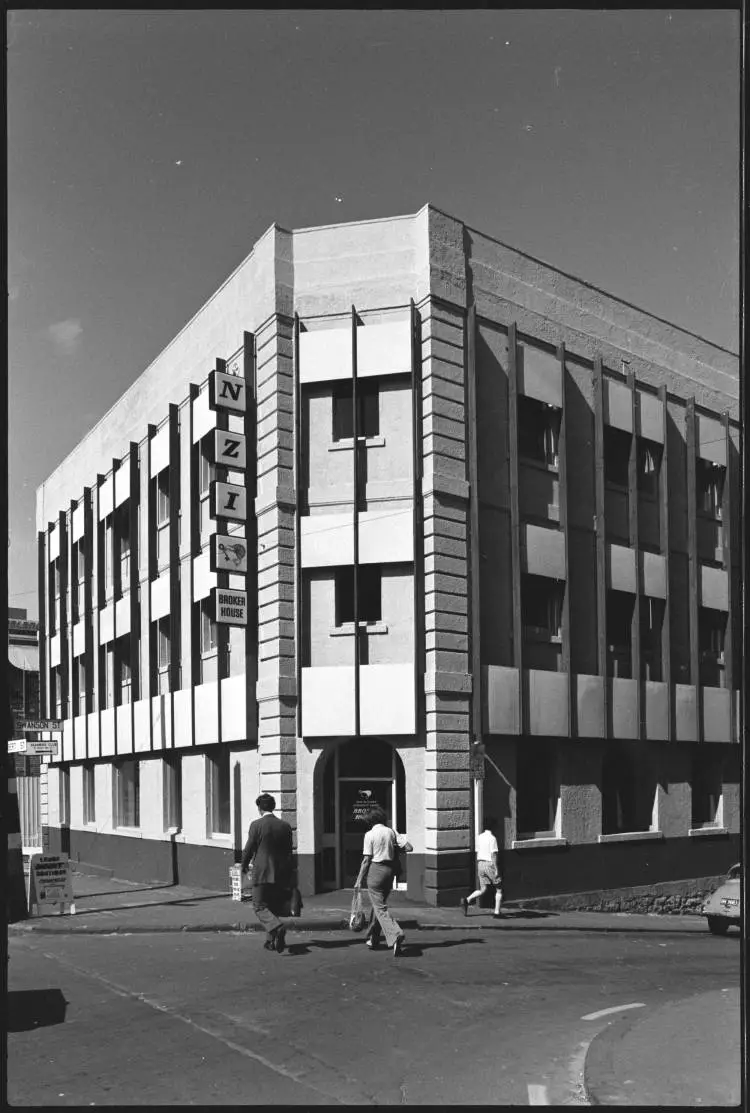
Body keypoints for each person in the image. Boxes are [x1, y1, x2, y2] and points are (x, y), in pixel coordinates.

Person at [240, 792, 294, 953]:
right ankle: (271, 941)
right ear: (274, 807)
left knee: (259, 905)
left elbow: (249, 848)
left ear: (259, 808)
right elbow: (288, 851)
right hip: (280, 871)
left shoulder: (256, 825)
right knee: (273, 906)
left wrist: (243, 865)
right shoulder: (285, 826)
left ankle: (277, 927)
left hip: (262, 870)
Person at [354, 804, 407, 957]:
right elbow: (408, 847)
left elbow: (366, 860)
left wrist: (358, 879)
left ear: (370, 820)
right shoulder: (391, 832)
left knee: (380, 908)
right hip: (390, 872)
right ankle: (374, 938)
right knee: (377, 905)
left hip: (376, 871)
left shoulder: (370, 835)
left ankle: (396, 934)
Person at [461, 816, 503, 918]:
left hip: (480, 864)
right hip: (489, 864)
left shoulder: (479, 837)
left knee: (483, 889)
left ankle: (467, 900)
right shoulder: (493, 839)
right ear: (493, 827)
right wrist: (496, 869)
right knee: (499, 888)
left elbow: (478, 850)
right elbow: (493, 854)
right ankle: (497, 912)